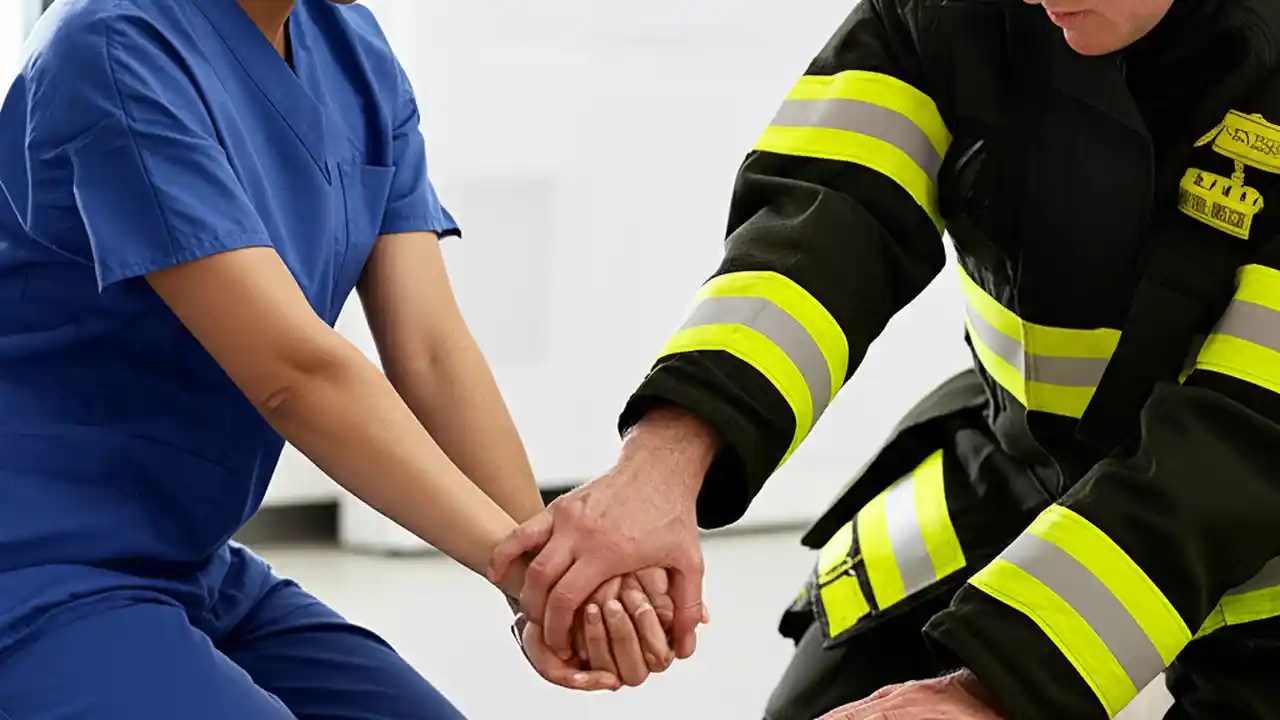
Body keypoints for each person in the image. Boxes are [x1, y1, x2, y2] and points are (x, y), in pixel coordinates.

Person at [490, 0, 1280, 718]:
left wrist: (995, 687)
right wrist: (663, 462)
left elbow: (1244, 439)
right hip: (1022, 466)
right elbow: (830, 216)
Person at [0, 0, 677, 717]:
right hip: (34, 558)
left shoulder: (350, 46)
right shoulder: (112, 44)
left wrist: (546, 574)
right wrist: (535, 572)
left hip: (194, 560)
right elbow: (296, 373)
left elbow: (430, 349)